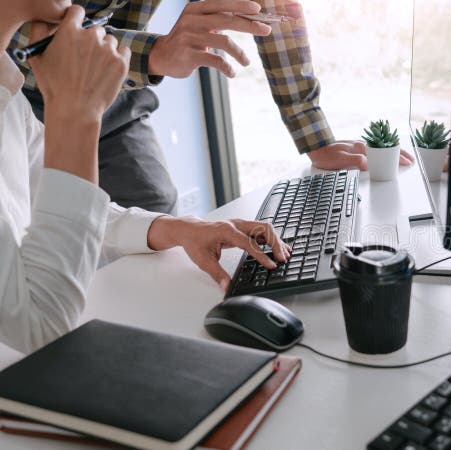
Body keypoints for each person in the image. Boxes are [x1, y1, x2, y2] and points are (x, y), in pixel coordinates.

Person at [0, 1, 290, 354]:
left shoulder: (9, 98)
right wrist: (77, 114)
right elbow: (41, 326)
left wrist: (176, 228)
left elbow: (59, 206)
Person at [9, 0, 414, 214]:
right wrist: (158, 54)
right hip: (13, 92)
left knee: (154, 215)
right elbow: (18, 29)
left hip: (113, 86)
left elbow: (272, 6)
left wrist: (312, 131)